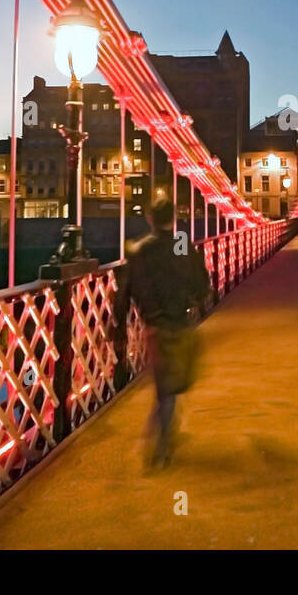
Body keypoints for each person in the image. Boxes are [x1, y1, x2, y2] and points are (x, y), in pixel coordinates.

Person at [116, 199, 210, 471]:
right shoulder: (182, 245)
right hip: (181, 324)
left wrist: (118, 330)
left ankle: (159, 443)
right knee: (171, 387)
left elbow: (123, 294)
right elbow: (201, 284)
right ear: (175, 218)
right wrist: (196, 301)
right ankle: (161, 445)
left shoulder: (140, 250)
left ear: (149, 218)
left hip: (155, 326)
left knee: (165, 387)